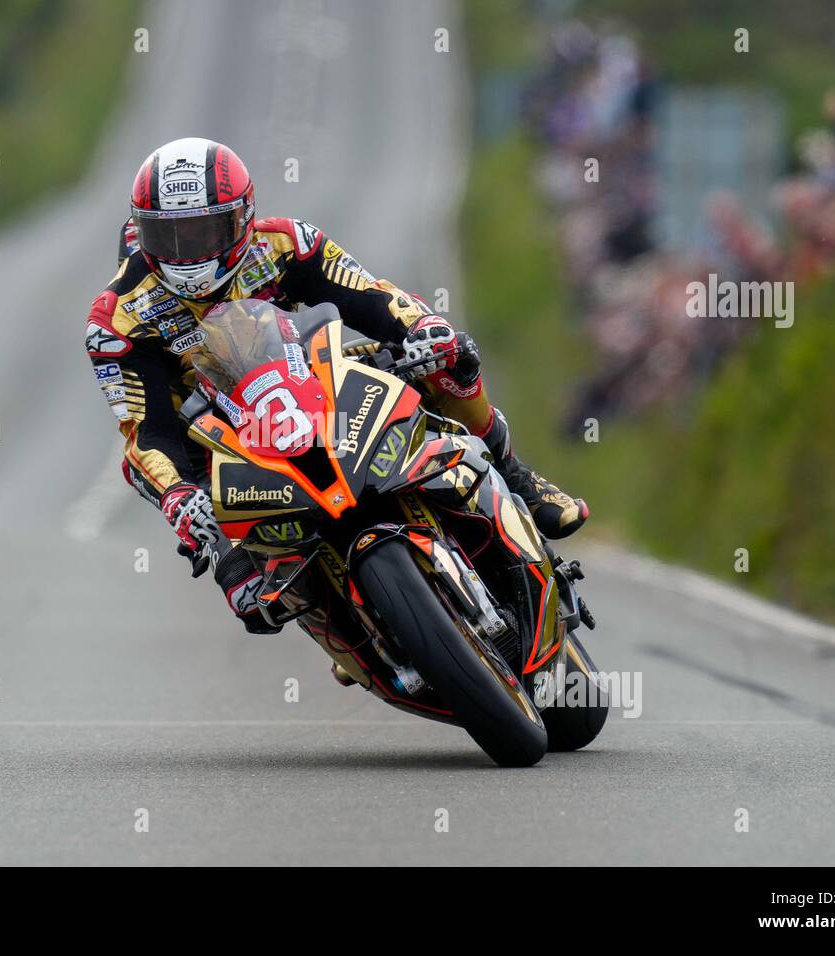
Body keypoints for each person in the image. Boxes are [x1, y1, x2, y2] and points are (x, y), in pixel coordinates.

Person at [85, 137, 587, 632]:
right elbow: (145, 432)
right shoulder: (116, 319)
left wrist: (422, 329)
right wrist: (179, 498)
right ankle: (346, 619)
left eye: (202, 233)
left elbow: (371, 296)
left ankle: (512, 472)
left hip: (311, 380)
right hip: (213, 439)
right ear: (140, 233)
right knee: (246, 590)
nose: (185, 254)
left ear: (241, 217)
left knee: (446, 358)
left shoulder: (286, 243)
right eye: (167, 237)